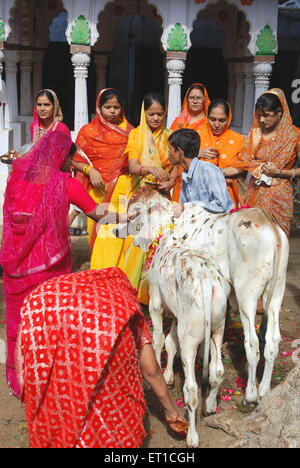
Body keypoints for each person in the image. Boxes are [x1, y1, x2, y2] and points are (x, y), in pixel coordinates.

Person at [0, 130, 135, 399]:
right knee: (46, 324)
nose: (71, 165)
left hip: (15, 265)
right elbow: (98, 214)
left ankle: (20, 380)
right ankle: (46, 381)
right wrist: (129, 216)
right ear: (63, 157)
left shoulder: (18, 179)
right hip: (47, 269)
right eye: (71, 160)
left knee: (18, 322)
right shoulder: (65, 184)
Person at [15, 268, 188, 448]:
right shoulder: (123, 303)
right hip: (103, 325)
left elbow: (22, 357)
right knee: (108, 394)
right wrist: (171, 412)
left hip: (45, 308)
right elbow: (151, 371)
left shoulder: (44, 297)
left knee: (65, 384)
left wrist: (33, 400)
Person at [122, 92, 178, 305]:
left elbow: (175, 165)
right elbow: (133, 166)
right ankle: (135, 293)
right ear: (144, 114)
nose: (155, 118)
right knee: (138, 243)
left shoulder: (170, 135)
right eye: (151, 114)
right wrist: (150, 169)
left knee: (161, 240)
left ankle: (157, 295)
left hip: (162, 196)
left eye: (159, 114)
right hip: (140, 195)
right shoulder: (136, 135)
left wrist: (170, 182)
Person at [72, 88, 137, 267]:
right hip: (97, 191)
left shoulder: (130, 132)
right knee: (98, 234)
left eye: (116, 107)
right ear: (99, 108)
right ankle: (101, 275)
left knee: (121, 233)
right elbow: (75, 159)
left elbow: (134, 161)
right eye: (108, 107)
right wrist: (89, 170)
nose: (112, 111)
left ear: (122, 108)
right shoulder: (88, 131)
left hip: (123, 191)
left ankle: (119, 276)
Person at [225, 88, 300, 237]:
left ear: (280, 112)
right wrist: (218, 171)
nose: (262, 120)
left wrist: (279, 173)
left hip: (280, 196)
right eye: (259, 116)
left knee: (278, 240)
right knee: (254, 238)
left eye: (266, 115)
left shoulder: (294, 135)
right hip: (255, 193)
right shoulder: (256, 134)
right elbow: (243, 164)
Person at [168, 128, 234, 216]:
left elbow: (222, 205)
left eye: (170, 149)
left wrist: (187, 206)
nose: (168, 153)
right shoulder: (185, 174)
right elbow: (183, 208)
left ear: (179, 151)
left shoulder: (208, 170)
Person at [198, 99, 245, 206]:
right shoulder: (197, 136)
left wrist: (219, 173)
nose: (217, 124)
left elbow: (243, 167)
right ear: (207, 118)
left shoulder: (238, 140)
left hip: (228, 195)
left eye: (222, 120)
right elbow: (184, 160)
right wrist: (199, 153)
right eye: (212, 119)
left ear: (229, 119)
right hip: (201, 196)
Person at [170, 83, 211, 202]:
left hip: (201, 176)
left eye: (199, 98)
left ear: (205, 100)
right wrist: (197, 153)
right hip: (179, 173)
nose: (195, 101)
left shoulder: (210, 123)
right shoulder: (179, 122)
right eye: (192, 98)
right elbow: (171, 148)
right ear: (187, 100)